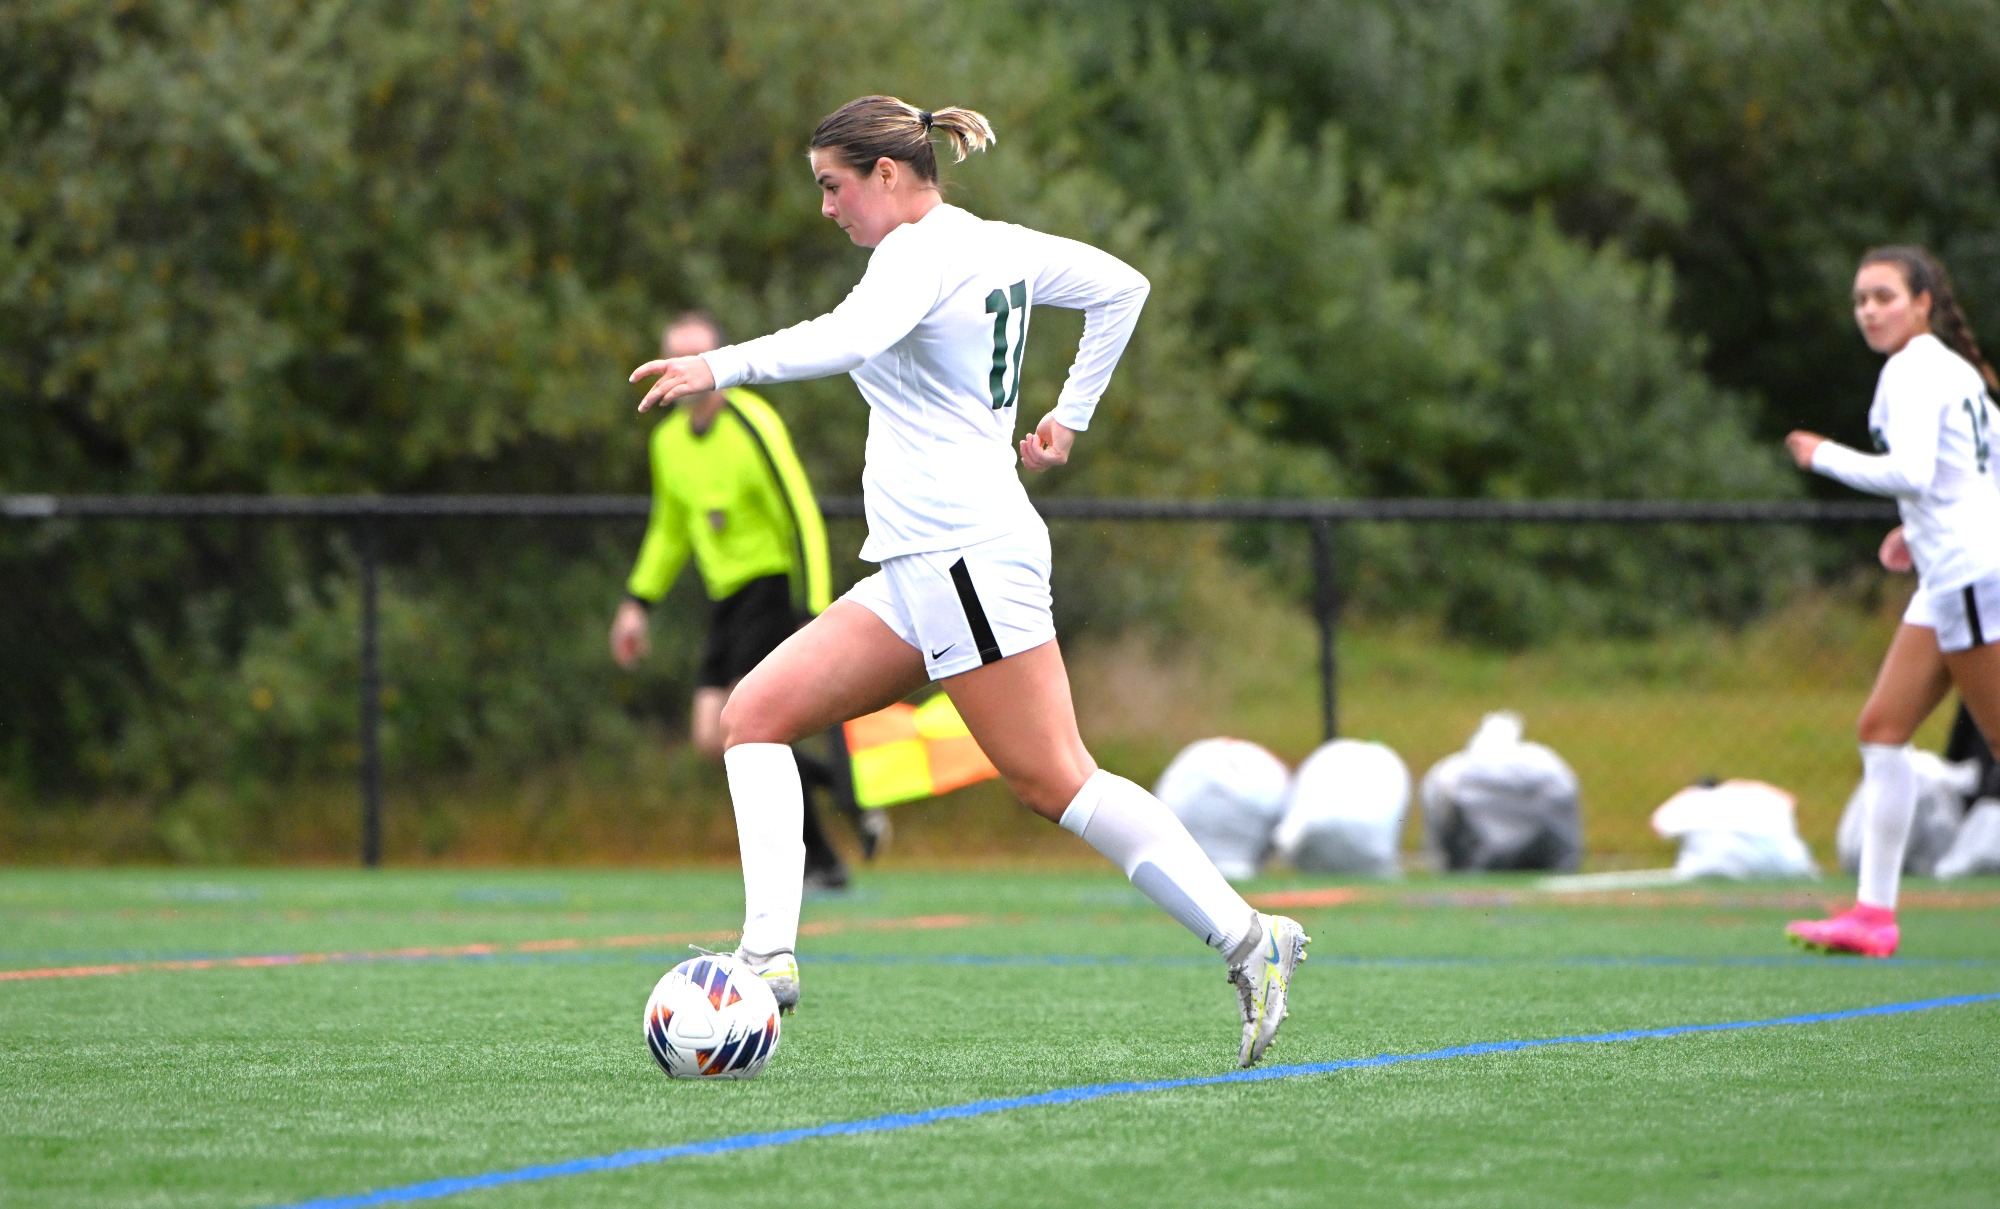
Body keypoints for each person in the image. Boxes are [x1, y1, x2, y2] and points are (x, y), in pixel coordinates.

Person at [629, 96, 1309, 1068]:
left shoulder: (913, 254)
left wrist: (719, 368)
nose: (826, 210)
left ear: (888, 176)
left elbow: (848, 340)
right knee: (754, 717)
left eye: (832, 187)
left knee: (1053, 780)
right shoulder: (993, 241)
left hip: (967, 558)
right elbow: (1121, 286)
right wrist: (1065, 419)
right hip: (916, 566)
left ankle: (1250, 940)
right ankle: (766, 960)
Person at [1782, 245, 2000, 958]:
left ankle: (1874, 912)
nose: (1869, 310)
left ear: (1923, 302)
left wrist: (1822, 456)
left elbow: (1908, 468)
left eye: (1883, 296)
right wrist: (1914, 530)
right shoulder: (1953, 368)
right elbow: (1964, 473)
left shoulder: (1914, 369)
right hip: (1949, 573)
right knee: (1882, 729)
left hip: (1972, 574)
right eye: (1860, 300)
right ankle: (1874, 914)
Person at [611, 312, 862, 890]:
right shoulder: (669, 443)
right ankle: (846, 790)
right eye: (675, 359)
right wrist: (637, 603)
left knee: (748, 729)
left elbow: (802, 514)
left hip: (771, 588)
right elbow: (669, 530)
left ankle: (819, 860)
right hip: (723, 598)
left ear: (717, 362)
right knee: (712, 738)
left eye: (696, 358)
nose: (685, 372)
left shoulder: (754, 422)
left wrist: (816, 603)